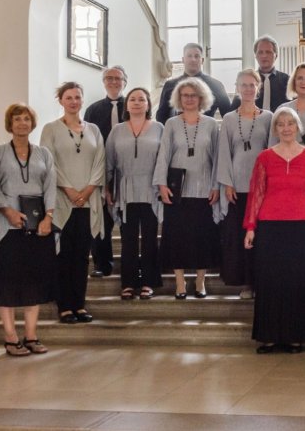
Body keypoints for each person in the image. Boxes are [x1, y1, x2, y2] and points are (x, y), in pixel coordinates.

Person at [244, 108, 305, 353]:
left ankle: (295, 337)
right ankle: (269, 336)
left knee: (298, 281)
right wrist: (250, 227)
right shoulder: (264, 157)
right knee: (270, 281)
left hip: (302, 225)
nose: (286, 128)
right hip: (270, 224)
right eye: (281, 124)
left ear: (298, 127)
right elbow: (256, 193)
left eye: (290, 123)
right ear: (275, 129)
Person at [0, 103, 56, 357]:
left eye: (26, 119)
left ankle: (32, 334)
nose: (22, 123)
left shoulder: (44, 154)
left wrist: (48, 217)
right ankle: (11, 336)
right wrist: (8, 211)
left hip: (37, 227)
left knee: (32, 282)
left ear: (32, 124)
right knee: (7, 281)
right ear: (10, 124)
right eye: (17, 119)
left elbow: (50, 186)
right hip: (7, 227)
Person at [40, 82, 104, 324]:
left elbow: (100, 161)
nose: (74, 101)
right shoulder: (51, 129)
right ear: (61, 101)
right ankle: (64, 306)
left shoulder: (94, 130)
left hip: (88, 202)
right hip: (62, 201)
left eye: (78, 97)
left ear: (82, 100)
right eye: (69, 97)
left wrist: (87, 191)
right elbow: (49, 163)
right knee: (63, 257)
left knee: (81, 257)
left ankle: (79, 304)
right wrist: (68, 190)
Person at [154, 77, 220, 299]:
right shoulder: (171, 124)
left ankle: (200, 282)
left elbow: (217, 158)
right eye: (185, 95)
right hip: (177, 191)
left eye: (193, 95)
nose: (189, 99)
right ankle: (180, 283)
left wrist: (216, 186)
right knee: (176, 237)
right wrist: (161, 184)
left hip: (203, 190)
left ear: (201, 98)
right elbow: (163, 155)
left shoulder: (211, 124)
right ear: (179, 98)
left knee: (203, 236)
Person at [217, 69, 273, 299]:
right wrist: (227, 184)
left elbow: (271, 152)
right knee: (242, 238)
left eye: (252, 85)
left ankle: (263, 281)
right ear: (237, 88)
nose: (248, 89)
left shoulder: (269, 117)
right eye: (244, 85)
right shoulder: (229, 119)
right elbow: (224, 153)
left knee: (262, 236)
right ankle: (247, 283)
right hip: (237, 187)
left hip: (262, 187)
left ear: (258, 88)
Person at [105, 87, 164, 300]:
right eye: (133, 99)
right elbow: (109, 162)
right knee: (128, 239)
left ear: (148, 104)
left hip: (151, 188)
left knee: (149, 238)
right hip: (126, 189)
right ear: (126, 104)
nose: (137, 102)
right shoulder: (117, 130)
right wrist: (107, 189)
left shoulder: (159, 128)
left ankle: (149, 282)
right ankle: (128, 283)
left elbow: (164, 160)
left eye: (141, 99)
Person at [83, 65, 129, 277]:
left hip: (128, 169)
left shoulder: (134, 105)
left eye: (117, 78)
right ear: (103, 82)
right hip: (101, 169)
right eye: (109, 78)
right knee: (101, 219)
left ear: (124, 82)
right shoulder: (93, 110)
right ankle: (102, 264)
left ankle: (133, 265)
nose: (113, 82)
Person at [155, 43, 232, 123]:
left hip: (207, 133)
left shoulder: (216, 85)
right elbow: (161, 118)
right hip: (178, 133)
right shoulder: (170, 85)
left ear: (202, 60)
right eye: (189, 56)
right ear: (183, 60)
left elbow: (229, 117)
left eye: (196, 56)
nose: (193, 59)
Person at [229, 35, 290, 111]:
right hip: (252, 121)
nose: (264, 56)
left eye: (268, 52)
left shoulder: (287, 80)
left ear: (276, 55)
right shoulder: (248, 80)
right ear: (255, 56)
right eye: (260, 52)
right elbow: (234, 109)